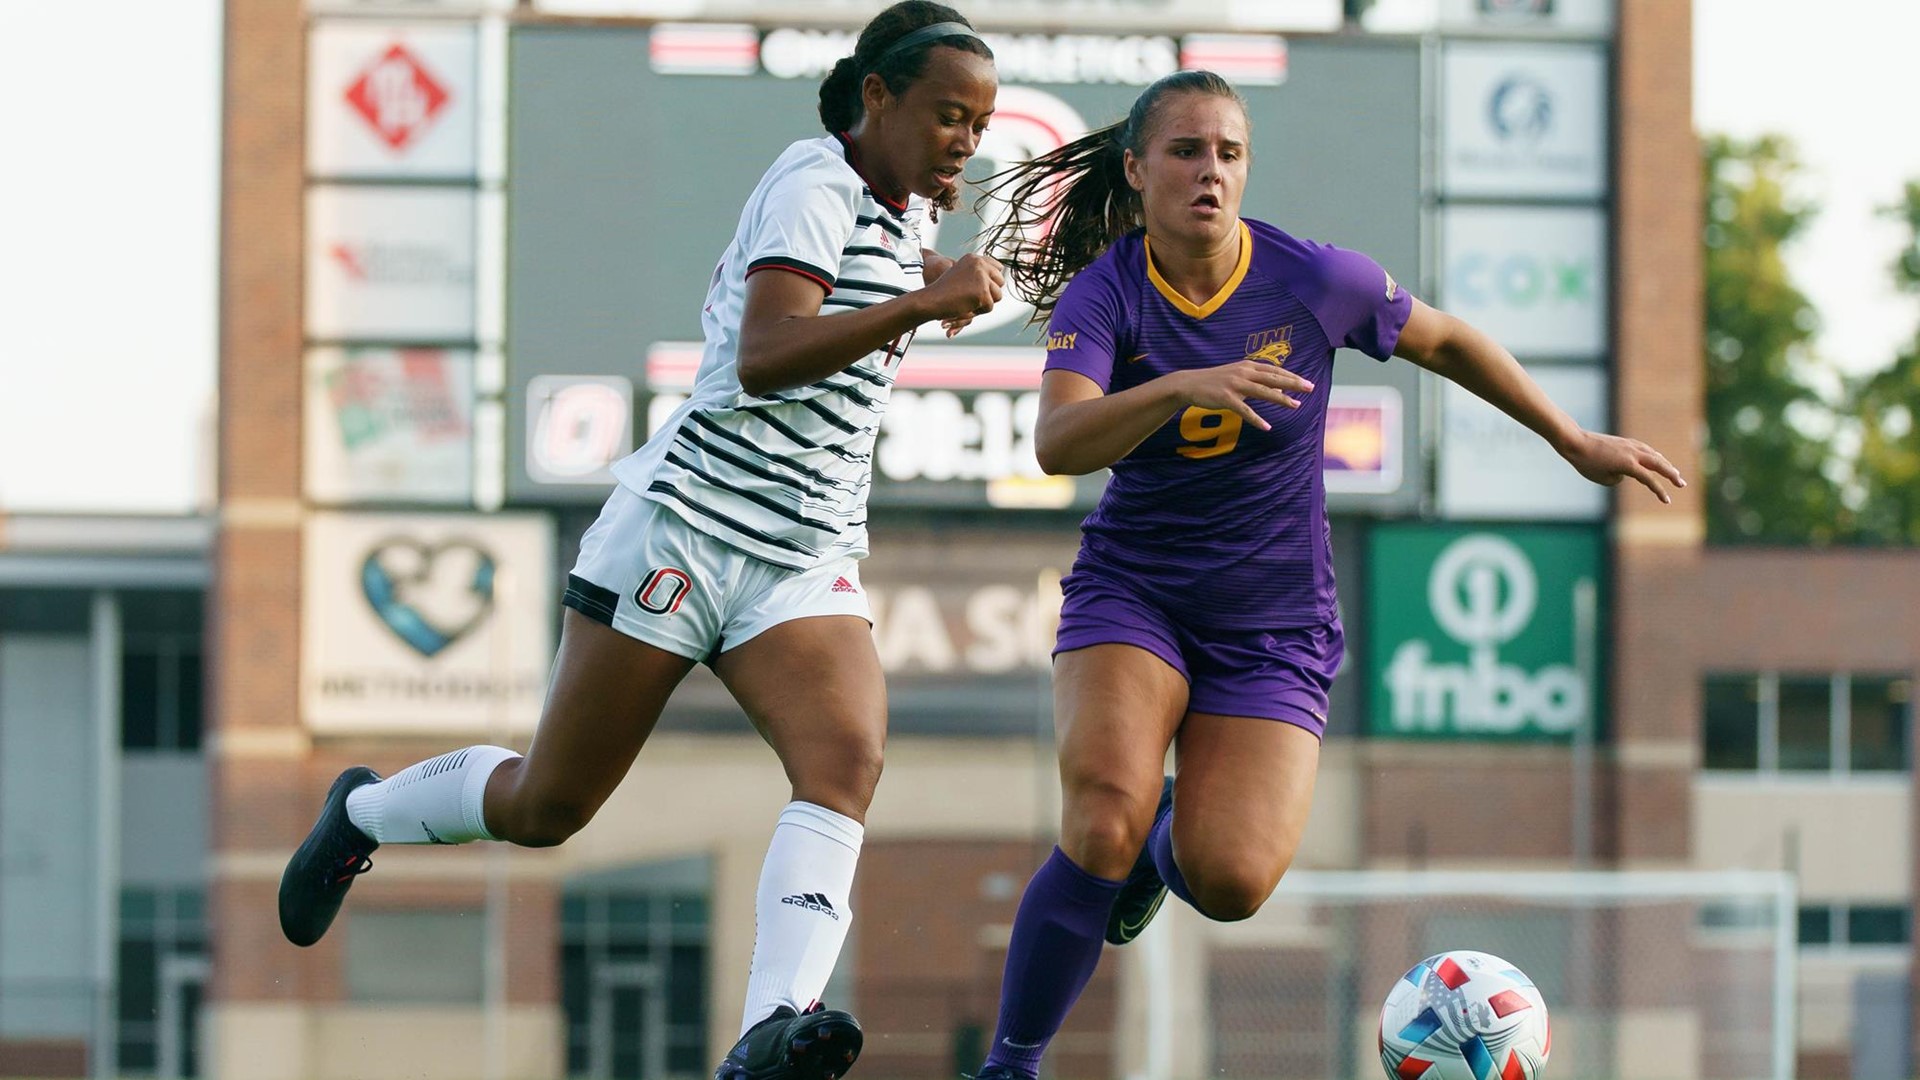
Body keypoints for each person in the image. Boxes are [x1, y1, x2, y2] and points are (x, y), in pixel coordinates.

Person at [278, 6, 1001, 1079]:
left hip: (800, 558)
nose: (967, 142)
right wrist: (924, 302)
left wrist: (929, 284)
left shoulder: (895, 211)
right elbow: (765, 354)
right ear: (878, 99)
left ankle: (771, 1028)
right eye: (949, 115)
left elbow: (876, 291)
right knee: (548, 806)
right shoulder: (813, 182)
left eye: (981, 125)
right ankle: (365, 812)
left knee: (845, 759)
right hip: (685, 533)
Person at [964, 70, 1685, 1080]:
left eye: (1228, 152)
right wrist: (1180, 386)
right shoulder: (1108, 291)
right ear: (1136, 170)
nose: (1210, 172)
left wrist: (1568, 439)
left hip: (1272, 621)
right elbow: (1056, 443)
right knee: (1099, 818)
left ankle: (1163, 844)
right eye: (1185, 152)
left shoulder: (1314, 279)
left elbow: (1448, 340)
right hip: (1138, 592)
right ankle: (1011, 1064)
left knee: (1228, 880)